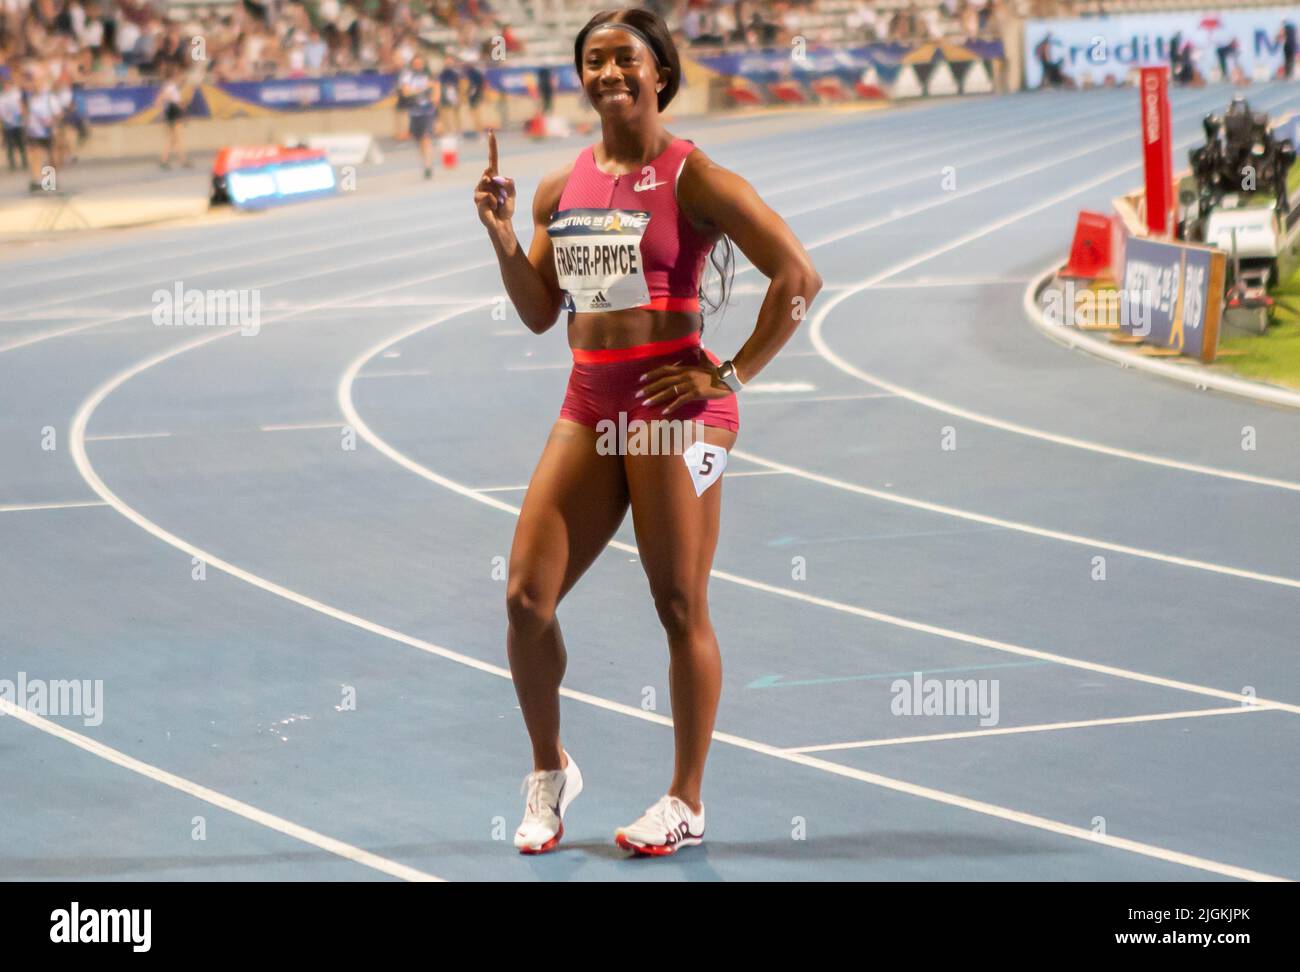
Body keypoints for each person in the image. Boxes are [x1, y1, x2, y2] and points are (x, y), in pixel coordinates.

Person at [474, 7, 822, 857]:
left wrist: (728, 374)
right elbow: (536, 313)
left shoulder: (691, 178)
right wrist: (503, 237)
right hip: (591, 402)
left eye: (625, 58)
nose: (608, 73)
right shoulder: (564, 188)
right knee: (526, 599)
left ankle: (685, 801)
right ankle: (550, 770)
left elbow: (799, 276)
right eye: (593, 61)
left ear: (660, 72)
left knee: (677, 604)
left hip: (676, 410)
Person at [399, 52, 439, 179]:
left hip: (427, 111)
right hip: (414, 111)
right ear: (412, 65)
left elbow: (436, 87)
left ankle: (428, 165)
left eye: (420, 64)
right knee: (419, 140)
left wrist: (435, 99)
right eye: (416, 64)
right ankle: (425, 162)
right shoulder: (407, 76)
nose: (418, 66)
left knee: (426, 137)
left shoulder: (428, 75)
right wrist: (422, 88)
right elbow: (405, 92)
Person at [155, 62, 189, 168]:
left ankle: (165, 159)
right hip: (173, 112)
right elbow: (162, 98)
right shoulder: (170, 86)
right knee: (176, 137)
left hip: (173, 111)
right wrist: (162, 109)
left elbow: (164, 98)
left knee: (172, 138)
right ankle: (182, 160)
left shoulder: (171, 85)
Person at [0, 70, 26, 173]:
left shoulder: (16, 93)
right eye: (4, 84)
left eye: (7, 84)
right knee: (9, 145)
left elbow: (21, 106)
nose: (6, 86)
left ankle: (25, 161)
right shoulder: (1, 96)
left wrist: (21, 116)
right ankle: (12, 164)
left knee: (21, 143)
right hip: (7, 123)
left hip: (18, 122)